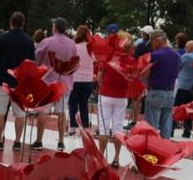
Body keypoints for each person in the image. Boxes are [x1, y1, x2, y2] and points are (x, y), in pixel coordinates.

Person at [0, 11, 36, 150]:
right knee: (20, 113)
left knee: (0, 112)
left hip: (3, 81)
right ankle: (17, 142)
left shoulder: (2, 39)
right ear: (23, 24)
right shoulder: (28, 41)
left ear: (10, 22)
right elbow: (30, 63)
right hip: (20, 82)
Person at [33, 17, 79, 150]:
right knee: (62, 112)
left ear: (55, 27)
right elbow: (73, 61)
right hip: (64, 82)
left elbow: (38, 58)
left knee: (43, 110)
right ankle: (60, 141)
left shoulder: (46, 42)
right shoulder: (71, 44)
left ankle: (39, 140)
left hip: (48, 81)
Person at [95, 30, 134, 162]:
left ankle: (100, 156)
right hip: (122, 96)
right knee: (118, 128)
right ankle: (116, 158)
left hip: (106, 94)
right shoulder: (131, 61)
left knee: (103, 127)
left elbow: (100, 76)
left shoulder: (108, 57)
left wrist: (101, 86)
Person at [143, 30, 182, 139]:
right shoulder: (177, 56)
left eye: (152, 42)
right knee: (166, 124)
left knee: (152, 125)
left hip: (156, 91)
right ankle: (164, 147)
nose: (151, 45)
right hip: (170, 92)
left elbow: (146, 75)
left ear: (157, 40)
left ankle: (152, 148)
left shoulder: (155, 55)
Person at [174, 40, 193, 138]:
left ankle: (171, 129)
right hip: (192, 86)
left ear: (190, 48)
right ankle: (187, 131)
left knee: (176, 108)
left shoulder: (186, 57)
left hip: (183, 85)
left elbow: (178, 66)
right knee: (189, 110)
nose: (185, 49)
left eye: (186, 47)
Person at [69, 25, 95, 136]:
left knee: (73, 104)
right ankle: (84, 128)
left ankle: (73, 128)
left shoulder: (74, 47)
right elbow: (95, 60)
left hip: (75, 79)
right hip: (88, 80)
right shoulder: (91, 48)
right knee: (84, 104)